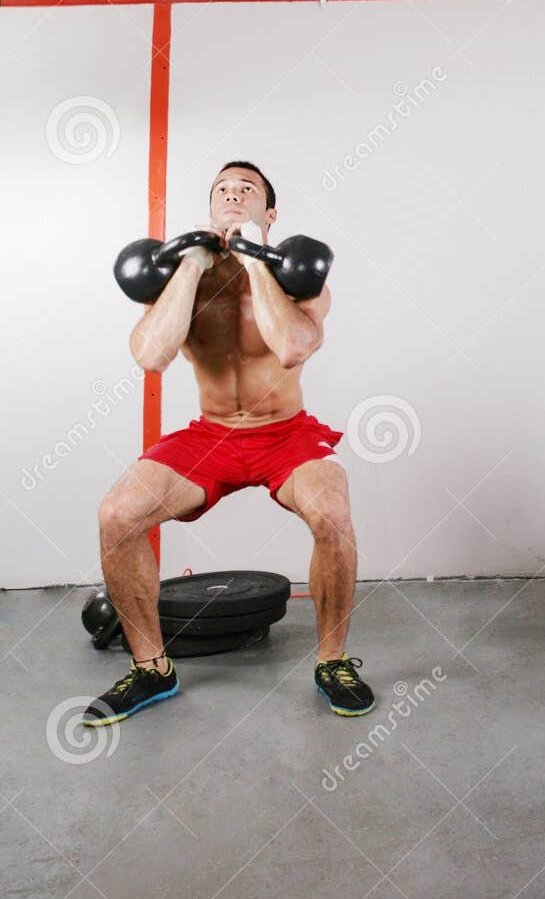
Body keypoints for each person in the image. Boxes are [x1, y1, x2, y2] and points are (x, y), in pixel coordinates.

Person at [85, 162, 373, 725]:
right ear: (210, 207)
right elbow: (149, 356)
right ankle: (151, 669)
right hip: (210, 436)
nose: (232, 192)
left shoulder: (299, 279)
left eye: (247, 189)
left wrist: (250, 256)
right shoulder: (178, 281)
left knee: (332, 513)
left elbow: (290, 347)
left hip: (286, 435)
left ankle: (332, 662)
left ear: (269, 214)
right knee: (117, 515)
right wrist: (191, 264)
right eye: (222, 188)